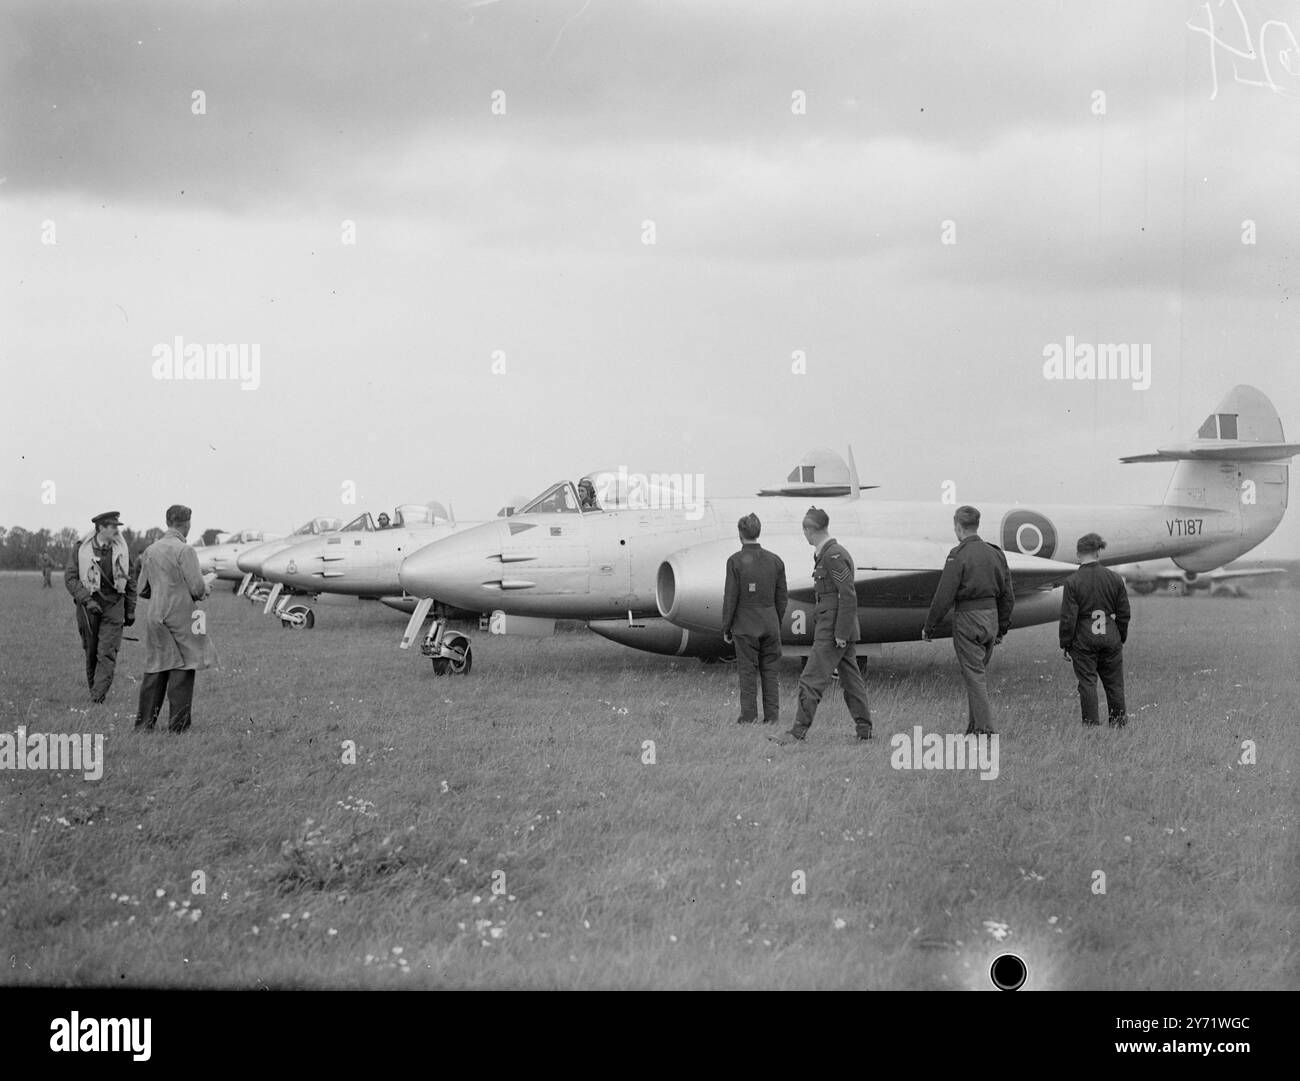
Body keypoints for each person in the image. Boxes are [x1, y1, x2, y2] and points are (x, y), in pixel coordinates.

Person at [771, 507, 873, 745]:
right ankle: (864, 729)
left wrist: (840, 633)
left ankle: (798, 732)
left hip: (833, 627)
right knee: (851, 681)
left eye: (804, 531)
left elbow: (847, 595)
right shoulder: (826, 553)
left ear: (810, 530)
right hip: (835, 625)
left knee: (811, 678)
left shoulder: (833, 555)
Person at [921, 505, 1014, 735]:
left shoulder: (958, 555)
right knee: (977, 674)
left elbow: (944, 596)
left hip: (968, 619)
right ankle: (974, 727)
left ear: (958, 527)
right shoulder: (996, 553)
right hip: (991, 618)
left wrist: (929, 626)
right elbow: (1007, 594)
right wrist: (1002, 627)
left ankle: (984, 730)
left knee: (974, 676)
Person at [135, 504, 217, 733]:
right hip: (180, 615)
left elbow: (142, 588)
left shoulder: (150, 551)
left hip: (155, 616)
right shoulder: (186, 551)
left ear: (168, 521)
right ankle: (178, 727)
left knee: (155, 668)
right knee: (183, 668)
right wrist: (206, 586)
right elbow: (197, 589)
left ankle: (143, 726)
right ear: (187, 524)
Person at [721, 513, 788, 724]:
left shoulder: (735, 561)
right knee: (770, 672)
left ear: (740, 534)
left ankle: (748, 716)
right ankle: (772, 717)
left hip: (745, 625)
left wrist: (727, 627)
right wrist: (775, 619)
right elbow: (782, 598)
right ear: (758, 532)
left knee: (747, 672)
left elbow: (730, 598)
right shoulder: (775, 561)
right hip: (770, 623)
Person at [64, 511, 136, 703]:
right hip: (88, 606)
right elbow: (70, 579)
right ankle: (95, 692)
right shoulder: (80, 549)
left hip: (114, 605)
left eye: (117, 526)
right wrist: (87, 600)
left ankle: (97, 698)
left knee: (107, 652)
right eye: (112, 526)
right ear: (100, 528)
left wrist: (130, 609)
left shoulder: (123, 550)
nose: (116, 530)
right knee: (91, 651)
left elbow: (131, 581)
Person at [1059, 532, 1130, 727]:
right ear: (1098, 552)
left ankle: (1091, 727)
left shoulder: (1072, 581)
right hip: (1110, 637)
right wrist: (1119, 636)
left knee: (1087, 684)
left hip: (1083, 638)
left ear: (1078, 553)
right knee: (1114, 685)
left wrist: (1066, 643)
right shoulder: (1115, 578)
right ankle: (1118, 726)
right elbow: (1124, 613)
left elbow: (1068, 617)